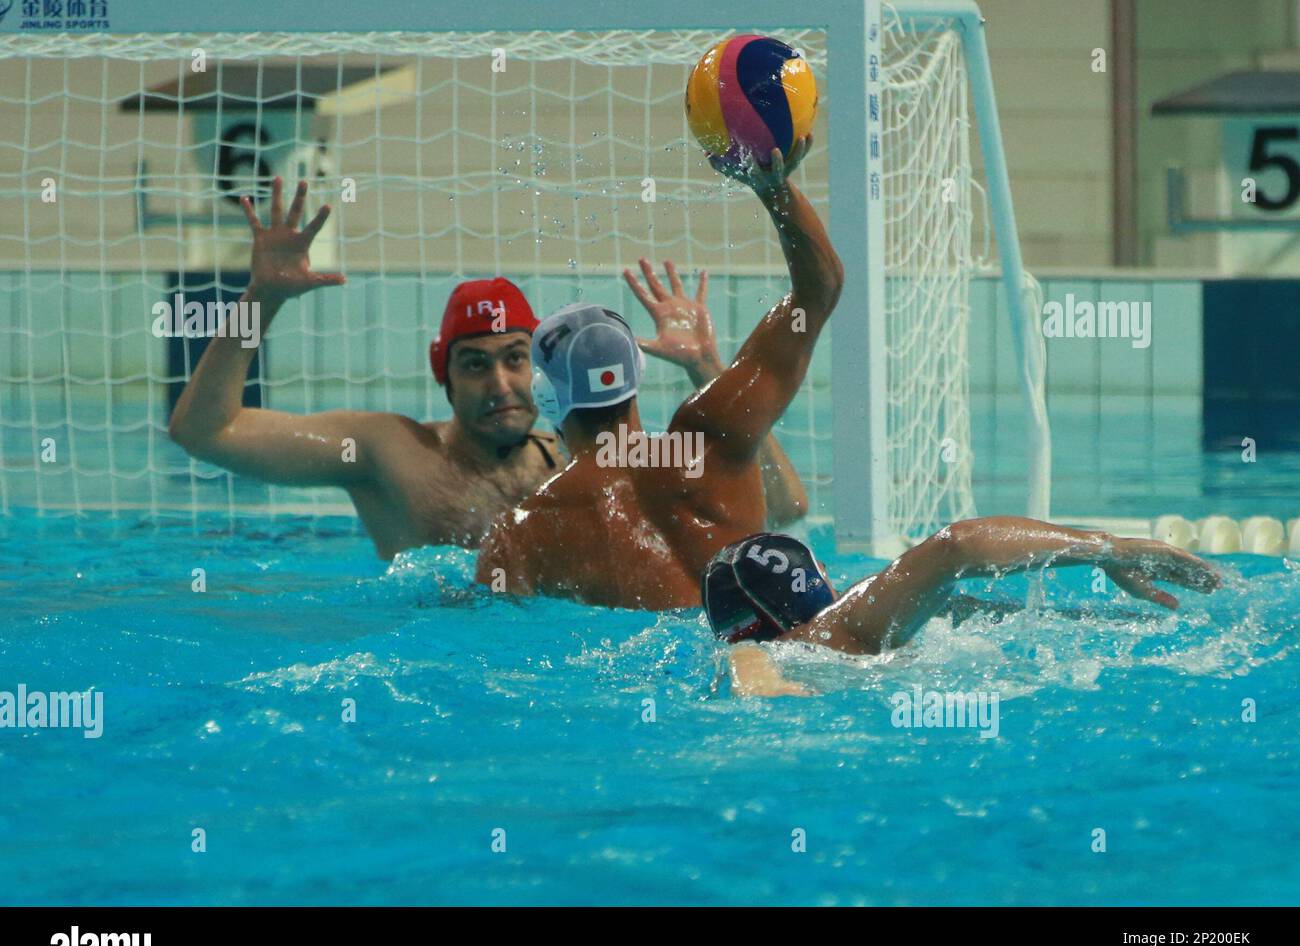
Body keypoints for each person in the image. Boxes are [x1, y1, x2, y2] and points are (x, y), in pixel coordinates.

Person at [168, 176, 807, 559]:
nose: (500, 384)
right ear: (441, 374)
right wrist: (262, 298)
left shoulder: (596, 454)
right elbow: (205, 432)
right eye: (474, 365)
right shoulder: (387, 454)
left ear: (544, 369)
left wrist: (708, 371)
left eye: (515, 360)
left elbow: (784, 507)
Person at [474, 138, 842, 608]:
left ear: (546, 396)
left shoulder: (521, 534)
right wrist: (773, 187)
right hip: (786, 645)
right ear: (637, 373)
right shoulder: (712, 437)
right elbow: (820, 288)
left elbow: (503, 647)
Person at [701, 517, 1225, 697]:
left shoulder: (773, 648)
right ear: (819, 583)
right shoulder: (849, 622)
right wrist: (1109, 548)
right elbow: (957, 545)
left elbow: (747, 656)